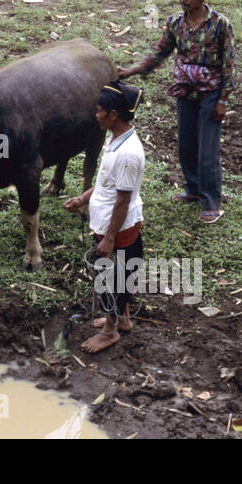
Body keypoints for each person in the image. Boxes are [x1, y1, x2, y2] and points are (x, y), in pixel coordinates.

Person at [119, 0, 233, 224]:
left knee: (208, 151)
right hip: (185, 91)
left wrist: (224, 99)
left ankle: (211, 202)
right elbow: (159, 54)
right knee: (185, 145)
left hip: (211, 94)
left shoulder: (220, 24)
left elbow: (229, 64)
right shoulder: (175, 23)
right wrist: (131, 71)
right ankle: (192, 190)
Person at [62, 80, 146, 354]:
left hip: (118, 228)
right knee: (120, 274)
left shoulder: (127, 155)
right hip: (111, 223)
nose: (95, 115)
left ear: (113, 115)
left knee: (112, 278)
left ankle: (110, 331)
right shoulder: (116, 140)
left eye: (99, 111)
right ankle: (121, 319)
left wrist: (109, 239)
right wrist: (82, 199)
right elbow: (105, 183)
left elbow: (122, 201)